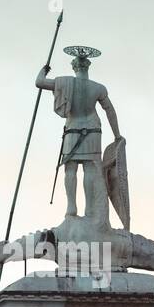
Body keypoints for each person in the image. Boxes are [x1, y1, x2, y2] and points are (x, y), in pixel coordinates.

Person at [36, 47, 122, 223]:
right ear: (87, 68)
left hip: (73, 128)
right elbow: (110, 111)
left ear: (74, 68)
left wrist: (44, 69)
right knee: (90, 168)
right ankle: (89, 208)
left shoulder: (64, 82)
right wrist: (117, 135)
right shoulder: (98, 88)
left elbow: (39, 82)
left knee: (71, 168)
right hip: (92, 131)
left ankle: (71, 207)